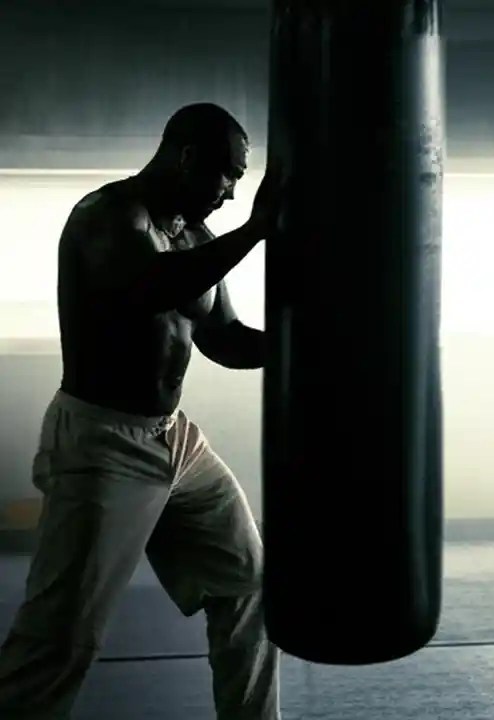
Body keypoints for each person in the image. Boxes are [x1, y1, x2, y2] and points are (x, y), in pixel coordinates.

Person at [0, 103, 282, 718]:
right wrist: (257, 230)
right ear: (187, 156)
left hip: (176, 442)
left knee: (249, 584)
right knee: (60, 639)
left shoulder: (198, 236)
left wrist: (305, 347)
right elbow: (151, 287)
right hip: (101, 442)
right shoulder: (107, 217)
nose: (234, 192)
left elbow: (225, 340)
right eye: (229, 174)